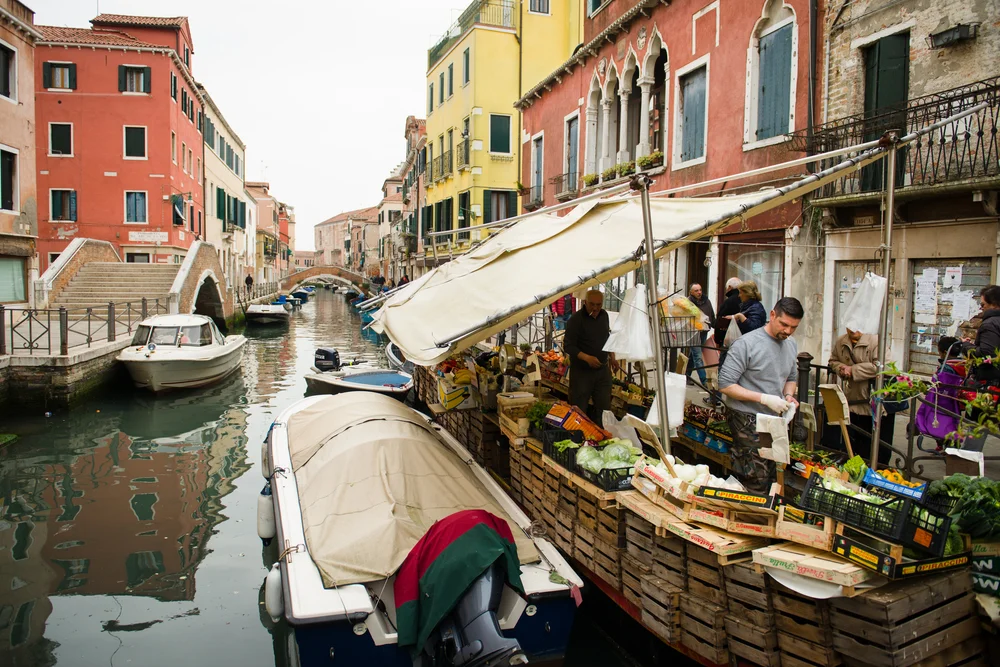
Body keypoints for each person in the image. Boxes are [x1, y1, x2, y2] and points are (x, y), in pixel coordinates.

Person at [718, 297, 804, 492]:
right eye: (784, 324)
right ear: (772, 315)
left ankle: (762, 514)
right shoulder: (746, 344)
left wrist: (789, 396)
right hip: (745, 417)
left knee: (772, 472)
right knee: (755, 476)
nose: (788, 331)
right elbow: (725, 384)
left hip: (772, 419)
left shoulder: (791, 345)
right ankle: (749, 518)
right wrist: (764, 398)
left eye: (793, 327)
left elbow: (791, 377)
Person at [828, 327, 892, 465]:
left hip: (873, 401)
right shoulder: (841, 341)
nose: (853, 330)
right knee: (854, 444)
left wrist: (854, 370)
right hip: (852, 400)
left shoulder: (876, 341)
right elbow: (833, 361)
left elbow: (884, 366)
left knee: (875, 447)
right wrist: (841, 368)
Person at [564, 289, 613, 421]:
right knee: (578, 410)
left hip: (602, 371)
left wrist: (612, 357)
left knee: (604, 409)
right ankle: (577, 438)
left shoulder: (604, 316)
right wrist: (586, 358)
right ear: (585, 302)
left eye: (599, 304)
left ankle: (601, 437)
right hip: (582, 373)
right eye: (592, 304)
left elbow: (607, 337)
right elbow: (568, 346)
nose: (596, 308)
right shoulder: (576, 319)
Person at [962, 285, 1000, 384]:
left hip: (992, 381)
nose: (981, 308)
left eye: (983, 305)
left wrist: (966, 346)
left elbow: (986, 352)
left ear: (994, 305)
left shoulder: (990, 324)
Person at [686, 283, 715, 387]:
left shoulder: (707, 301)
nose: (699, 292)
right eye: (696, 291)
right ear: (691, 292)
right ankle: (704, 382)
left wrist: (713, 324)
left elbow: (711, 314)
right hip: (693, 332)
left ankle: (686, 376)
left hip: (703, 331)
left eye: (700, 290)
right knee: (698, 356)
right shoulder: (688, 302)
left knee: (693, 354)